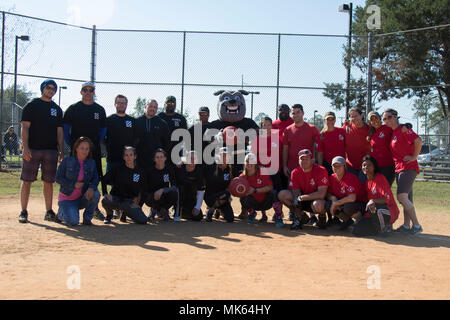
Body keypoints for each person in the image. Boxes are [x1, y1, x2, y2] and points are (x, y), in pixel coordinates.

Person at [19, 79, 64, 223]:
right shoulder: (32, 105)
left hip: (50, 150)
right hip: (33, 149)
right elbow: (25, 127)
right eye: (48, 88)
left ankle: (49, 211)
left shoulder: (57, 109)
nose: (50, 90)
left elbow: (59, 132)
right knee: (27, 180)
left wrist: (61, 150)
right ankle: (24, 211)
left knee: (48, 181)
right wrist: (25, 147)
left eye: (53, 89)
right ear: (42, 89)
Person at [63, 81, 107, 220]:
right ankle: (69, 205)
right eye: (85, 90)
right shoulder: (73, 108)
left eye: (91, 90)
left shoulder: (99, 110)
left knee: (94, 178)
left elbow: (103, 129)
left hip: (93, 152)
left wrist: (95, 144)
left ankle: (93, 209)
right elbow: (65, 128)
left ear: (94, 92)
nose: (88, 92)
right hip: (77, 153)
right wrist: (71, 143)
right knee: (73, 177)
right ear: (81, 92)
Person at [383, 108, 423, 235]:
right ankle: (406, 226)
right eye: (384, 119)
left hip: (408, 167)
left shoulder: (403, 129)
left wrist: (414, 157)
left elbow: (418, 140)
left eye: (389, 117)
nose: (386, 120)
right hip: (399, 167)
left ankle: (416, 225)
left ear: (395, 117)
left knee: (401, 196)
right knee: (406, 198)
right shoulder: (393, 132)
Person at [282, 104, 320, 221]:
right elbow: (285, 149)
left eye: (298, 112)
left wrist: (315, 160)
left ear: (303, 113)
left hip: (309, 168)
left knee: (310, 191)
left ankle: (313, 215)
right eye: (293, 113)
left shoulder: (312, 128)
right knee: (294, 192)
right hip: (293, 167)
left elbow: (318, 146)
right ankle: (296, 213)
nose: (295, 115)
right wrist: (284, 165)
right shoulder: (288, 130)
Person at [278, 149, 329, 230]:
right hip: (302, 199)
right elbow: (296, 193)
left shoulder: (321, 170)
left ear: (312, 160)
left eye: (307, 159)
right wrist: (297, 204)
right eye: (302, 159)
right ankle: (301, 217)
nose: (304, 161)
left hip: (316, 199)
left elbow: (321, 194)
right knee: (282, 195)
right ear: (298, 161)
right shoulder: (295, 172)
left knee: (318, 205)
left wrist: (302, 197)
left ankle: (322, 218)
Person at [55, 136, 100, 227]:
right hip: (67, 198)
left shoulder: (92, 163)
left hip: (82, 198)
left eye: (87, 149)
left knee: (96, 194)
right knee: (73, 222)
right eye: (82, 148)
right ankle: (61, 214)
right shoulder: (67, 161)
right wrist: (73, 184)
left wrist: (91, 188)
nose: (84, 151)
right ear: (76, 149)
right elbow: (58, 178)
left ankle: (87, 219)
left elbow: (96, 178)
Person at [105, 94, 136, 220]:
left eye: (123, 103)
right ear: (115, 104)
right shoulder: (109, 120)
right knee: (113, 185)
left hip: (127, 160)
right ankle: (110, 211)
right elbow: (103, 138)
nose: (121, 105)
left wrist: (130, 154)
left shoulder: (131, 121)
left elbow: (136, 138)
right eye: (119, 102)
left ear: (126, 105)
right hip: (113, 158)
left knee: (127, 185)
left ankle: (123, 211)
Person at [353, 155, 400, 236]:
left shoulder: (380, 178)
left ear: (374, 167)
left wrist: (373, 201)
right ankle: (377, 228)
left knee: (376, 207)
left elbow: (386, 199)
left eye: (369, 165)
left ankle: (385, 228)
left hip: (389, 210)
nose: (366, 167)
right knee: (357, 230)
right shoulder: (367, 183)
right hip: (374, 212)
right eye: (364, 165)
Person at [249, 116, 284, 221]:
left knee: (276, 193)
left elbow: (281, 154)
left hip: (274, 171)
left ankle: (278, 214)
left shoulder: (277, 139)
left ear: (272, 126)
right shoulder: (257, 140)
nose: (267, 127)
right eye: (264, 125)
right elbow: (253, 156)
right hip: (261, 171)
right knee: (260, 192)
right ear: (261, 127)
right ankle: (263, 214)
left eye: (269, 125)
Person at [102, 146, 148, 225]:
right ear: (123, 157)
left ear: (135, 156)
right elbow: (103, 180)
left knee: (143, 220)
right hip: (116, 199)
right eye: (126, 155)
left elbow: (144, 189)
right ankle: (109, 215)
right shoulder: (117, 169)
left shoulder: (140, 172)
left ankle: (125, 213)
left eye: (131, 155)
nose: (128, 157)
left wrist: (138, 204)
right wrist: (105, 193)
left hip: (129, 202)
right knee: (105, 201)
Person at [239, 153, 284, 227]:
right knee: (242, 197)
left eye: (252, 161)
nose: (249, 163)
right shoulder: (242, 176)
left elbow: (270, 187)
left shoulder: (262, 171)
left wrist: (255, 190)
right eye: (247, 161)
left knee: (273, 193)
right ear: (244, 163)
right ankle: (252, 213)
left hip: (266, 202)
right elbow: (238, 191)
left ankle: (278, 217)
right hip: (254, 203)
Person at [326, 156, 366, 231]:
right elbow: (328, 194)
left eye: (339, 166)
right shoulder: (332, 177)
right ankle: (347, 221)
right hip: (344, 202)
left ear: (344, 167)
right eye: (334, 166)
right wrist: (333, 198)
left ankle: (360, 221)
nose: (337, 168)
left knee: (348, 207)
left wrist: (336, 203)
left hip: (360, 203)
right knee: (328, 204)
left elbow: (352, 198)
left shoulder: (350, 177)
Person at [144, 148, 180, 222]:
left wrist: (162, 190)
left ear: (165, 158)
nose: (159, 159)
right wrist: (154, 194)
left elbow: (174, 186)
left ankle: (164, 210)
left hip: (164, 195)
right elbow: (145, 187)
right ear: (154, 159)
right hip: (152, 196)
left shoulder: (169, 169)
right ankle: (153, 210)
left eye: (161, 157)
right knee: (150, 196)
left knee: (174, 193)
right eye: (157, 157)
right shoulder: (149, 170)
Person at [135, 99, 170, 171]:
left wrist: (162, 157)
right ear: (145, 107)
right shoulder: (137, 121)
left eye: (155, 107)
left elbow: (167, 142)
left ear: (157, 109)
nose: (152, 109)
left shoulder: (162, 123)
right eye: (150, 106)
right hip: (140, 159)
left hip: (156, 161)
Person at [204, 147, 236, 223]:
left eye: (226, 156)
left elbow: (231, 185)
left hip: (223, 199)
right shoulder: (212, 167)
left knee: (230, 218)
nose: (224, 158)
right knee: (226, 193)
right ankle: (211, 210)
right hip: (210, 198)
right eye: (222, 156)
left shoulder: (230, 169)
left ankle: (218, 210)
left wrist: (229, 198)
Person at [367, 111, 395, 186]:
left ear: (380, 119)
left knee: (385, 189)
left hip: (387, 166)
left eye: (376, 118)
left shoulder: (387, 128)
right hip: (376, 167)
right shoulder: (371, 133)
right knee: (377, 189)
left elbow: (397, 128)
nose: (375, 121)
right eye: (372, 120)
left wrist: (405, 126)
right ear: (370, 122)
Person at [175, 151, 205, 221]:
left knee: (198, 217)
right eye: (190, 158)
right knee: (180, 188)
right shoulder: (179, 168)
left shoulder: (199, 171)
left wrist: (197, 207)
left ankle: (185, 212)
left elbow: (200, 191)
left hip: (190, 199)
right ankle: (177, 211)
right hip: (178, 198)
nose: (192, 160)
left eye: (194, 158)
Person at [343, 107, 371, 182]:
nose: (354, 118)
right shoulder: (346, 128)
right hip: (350, 166)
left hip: (365, 166)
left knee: (362, 188)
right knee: (352, 189)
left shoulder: (370, 129)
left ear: (361, 115)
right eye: (352, 117)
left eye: (356, 116)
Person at [158, 96, 187, 165]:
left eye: (173, 103)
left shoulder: (180, 118)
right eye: (168, 103)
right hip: (162, 152)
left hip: (177, 152)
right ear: (164, 104)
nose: (170, 105)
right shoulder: (159, 117)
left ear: (175, 105)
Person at [316, 111, 346, 176]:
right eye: (328, 119)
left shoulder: (341, 131)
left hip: (342, 164)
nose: (330, 121)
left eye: (332, 119)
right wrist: (320, 168)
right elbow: (320, 153)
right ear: (324, 120)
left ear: (335, 120)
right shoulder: (321, 136)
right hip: (328, 165)